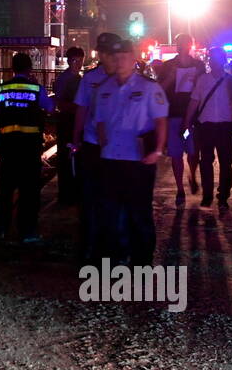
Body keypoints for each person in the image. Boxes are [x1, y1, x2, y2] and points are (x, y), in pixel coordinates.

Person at [93, 39, 169, 265]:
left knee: (139, 211)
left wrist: (157, 150)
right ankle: (117, 256)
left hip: (138, 160)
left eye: (124, 56)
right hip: (111, 158)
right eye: (116, 57)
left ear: (134, 59)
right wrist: (102, 140)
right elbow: (99, 120)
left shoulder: (148, 88)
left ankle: (142, 259)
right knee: (112, 210)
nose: (120, 61)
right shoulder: (104, 88)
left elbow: (161, 121)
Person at [0, 51, 53, 245]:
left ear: (12, 69)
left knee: (5, 190)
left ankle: (1, 231)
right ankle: (28, 232)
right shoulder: (36, 89)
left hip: (7, 148)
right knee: (29, 191)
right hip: (30, 148)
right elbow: (50, 107)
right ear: (29, 68)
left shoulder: (0, 90)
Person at [70, 32, 121, 260]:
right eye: (102, 51)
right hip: (92, 145)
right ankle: (90, 249)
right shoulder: (90, 78)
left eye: (108, 51)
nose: (104, 55)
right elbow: (81, 109)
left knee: (115, 200)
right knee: (89, 200)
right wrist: (76, 139)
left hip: (119, 150)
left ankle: (113, 249)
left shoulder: (127, 78)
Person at [184, 48, 232, 212]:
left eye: (217, 58)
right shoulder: (202, 80)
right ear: (209, 61)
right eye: (212, 58)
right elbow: (194, 102)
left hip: (226, 126)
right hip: (206, 126)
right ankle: (207, 195)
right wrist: (186, 122)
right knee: (206, 161)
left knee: (226, 163)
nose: (214, 61)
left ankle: (223, 196)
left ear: (223, 60)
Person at [158, 34, 203, 204]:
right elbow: (159, 89)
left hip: (192, 118)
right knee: (176, 154)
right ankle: (180, 189)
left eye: (185, 43)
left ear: (190, 45)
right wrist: (170, 77)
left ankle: (192, 174)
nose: (182, 46)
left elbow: (203, 87)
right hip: (174, 117)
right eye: (180, 44)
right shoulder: (168, 66)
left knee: (192, 152)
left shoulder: (198, 65)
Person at [51, 47, 85, 206]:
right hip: (67, 122)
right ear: (69, 61)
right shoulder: (65, 79)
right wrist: (78, 108)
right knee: (66, 159)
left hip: (76, 121)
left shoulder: (79, 78)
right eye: (75, 61)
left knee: (76, 158)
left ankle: (73, 192)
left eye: (80, 61)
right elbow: (61, 103)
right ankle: (66, 194)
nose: (78, 64)